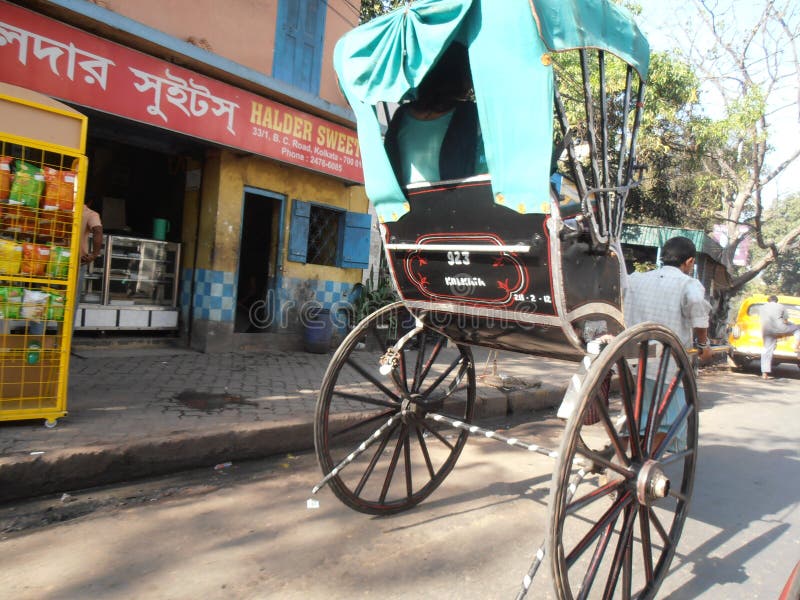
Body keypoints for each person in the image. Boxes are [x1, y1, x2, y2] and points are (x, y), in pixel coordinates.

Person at [623, 236, 712, 450]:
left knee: (637, 414)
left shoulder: (636, 279)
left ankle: (623, 454)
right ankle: (645, 465)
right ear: (689, 261)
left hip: (631, 359)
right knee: (672, 418)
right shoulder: (688, 284)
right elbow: (698, 311)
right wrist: (703, 343)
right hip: (665, 365)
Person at [384, 42, 487, 186]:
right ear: (464, 77)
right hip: (459, 204)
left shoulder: (401, 115)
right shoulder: (471, 113)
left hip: (406, 206)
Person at [759, 295, 800, 379]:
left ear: (768, 301)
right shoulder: (781, 306)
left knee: (767, 351)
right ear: (776, 301)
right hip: (780, 329)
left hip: (766, 331)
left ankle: (764, 373)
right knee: (798, 328)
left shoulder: (762, 307)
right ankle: (796, 346)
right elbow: (785, 321)